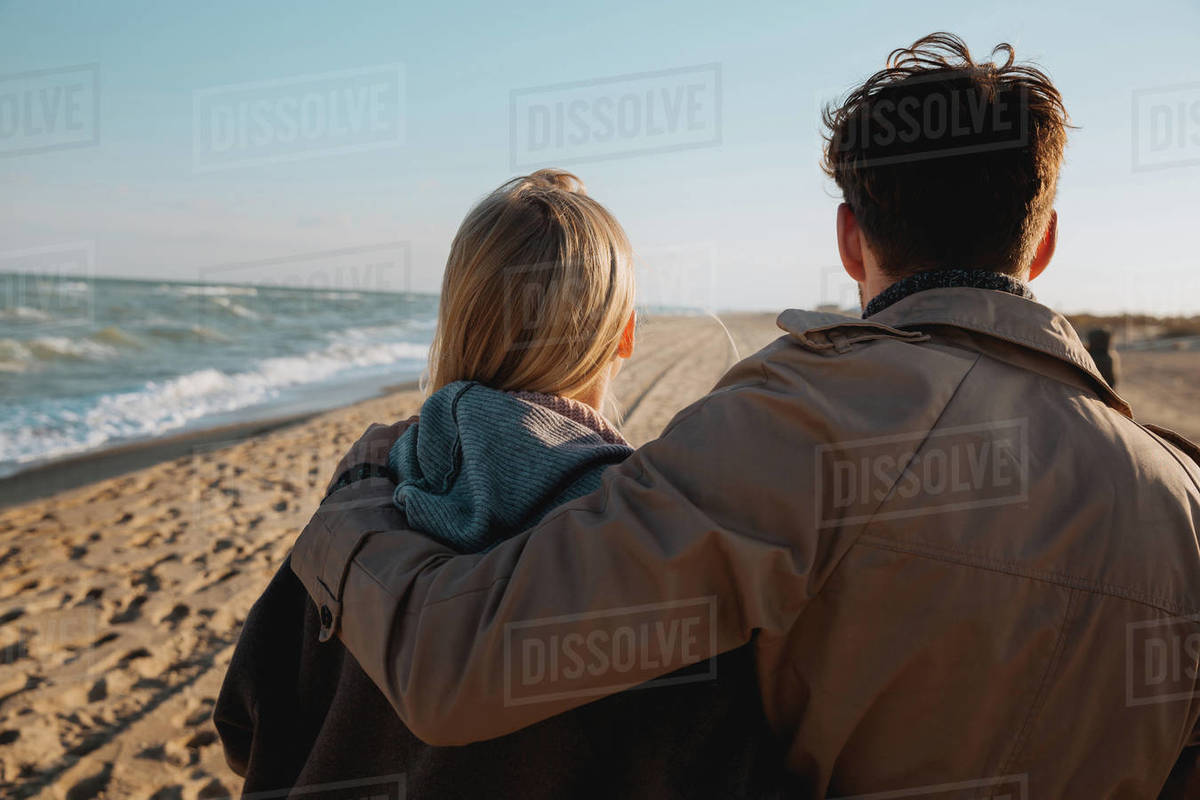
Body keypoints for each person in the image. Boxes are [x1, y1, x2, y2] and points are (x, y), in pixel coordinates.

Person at [289, 34, 1200, 797]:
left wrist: (347, 514)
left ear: (851, 237)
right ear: (1041, 243)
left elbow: (470, 663)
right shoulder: (1182, 502)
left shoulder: (797, 425)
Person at [214, 170, 788, 798]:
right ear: (624, 333)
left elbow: (245, 726)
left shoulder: (363, 500)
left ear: (458, 319)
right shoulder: (657, 542)